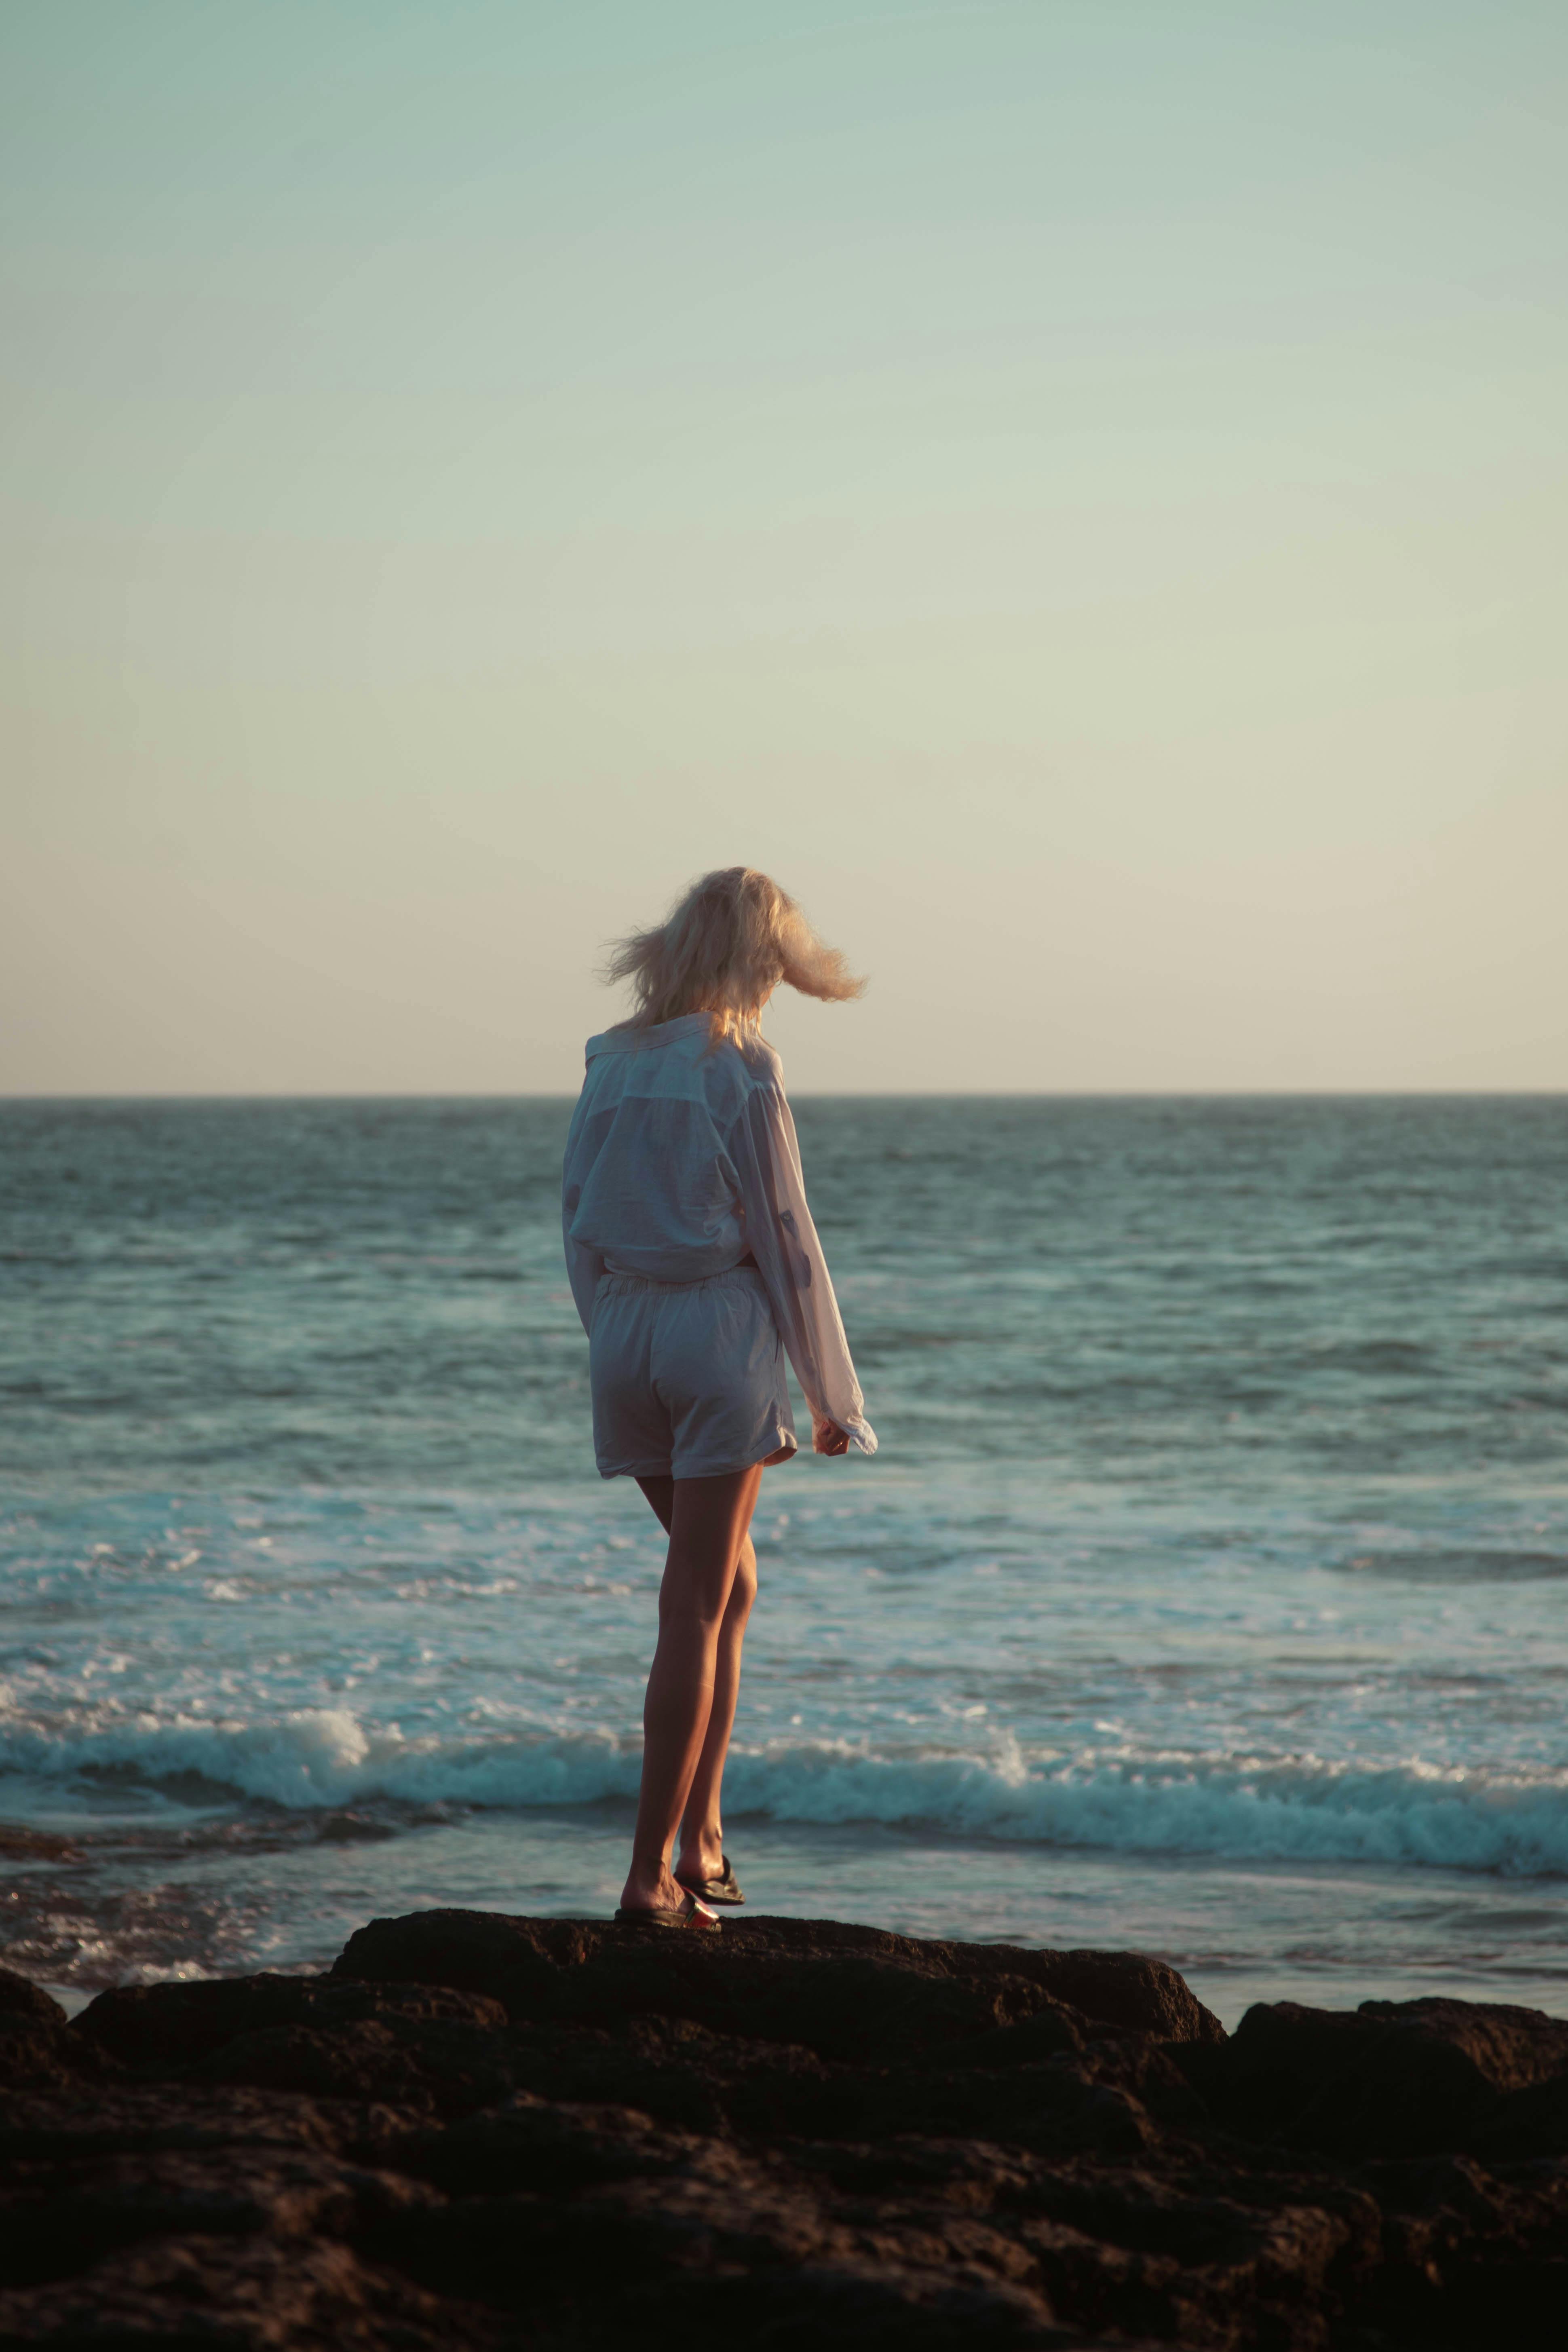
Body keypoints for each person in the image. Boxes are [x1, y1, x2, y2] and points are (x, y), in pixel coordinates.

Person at [561, 867, 876, 1929]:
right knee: (695, 1604)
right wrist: (834, 1392)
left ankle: (702, 1838)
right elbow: (787, 1232)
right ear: (757, 959)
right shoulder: (739, 1063)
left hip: (627, 1332)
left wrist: (609, 1333)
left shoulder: (610, 1060)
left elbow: (578, 1217)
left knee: (727, 1586)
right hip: (713, 1334)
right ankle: (652, 1872)